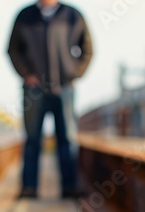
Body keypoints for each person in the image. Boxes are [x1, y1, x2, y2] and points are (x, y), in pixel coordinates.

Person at [7, 0, 93, 199]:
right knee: (32, 139)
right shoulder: (25, 16)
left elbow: (87, 49)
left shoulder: (72, 15)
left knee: (67, 139)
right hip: (33, 90)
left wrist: (74, 73)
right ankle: (29, 188)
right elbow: (13, 50)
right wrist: (26, 74)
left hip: (64, 88)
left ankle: (69, 187)